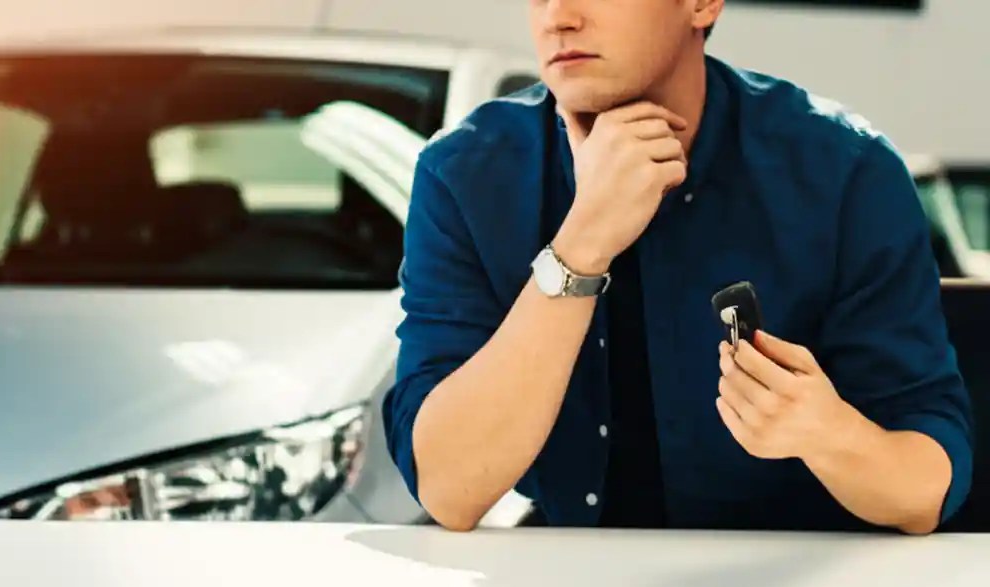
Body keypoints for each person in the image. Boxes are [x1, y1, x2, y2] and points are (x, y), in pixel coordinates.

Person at [382, 0, 974, 534]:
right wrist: (581, 246)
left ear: (701, 4)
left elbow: (926, 488)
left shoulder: (846, 172)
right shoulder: (464, 174)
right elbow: (447, 489)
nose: (556, 15)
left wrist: (828, 435)